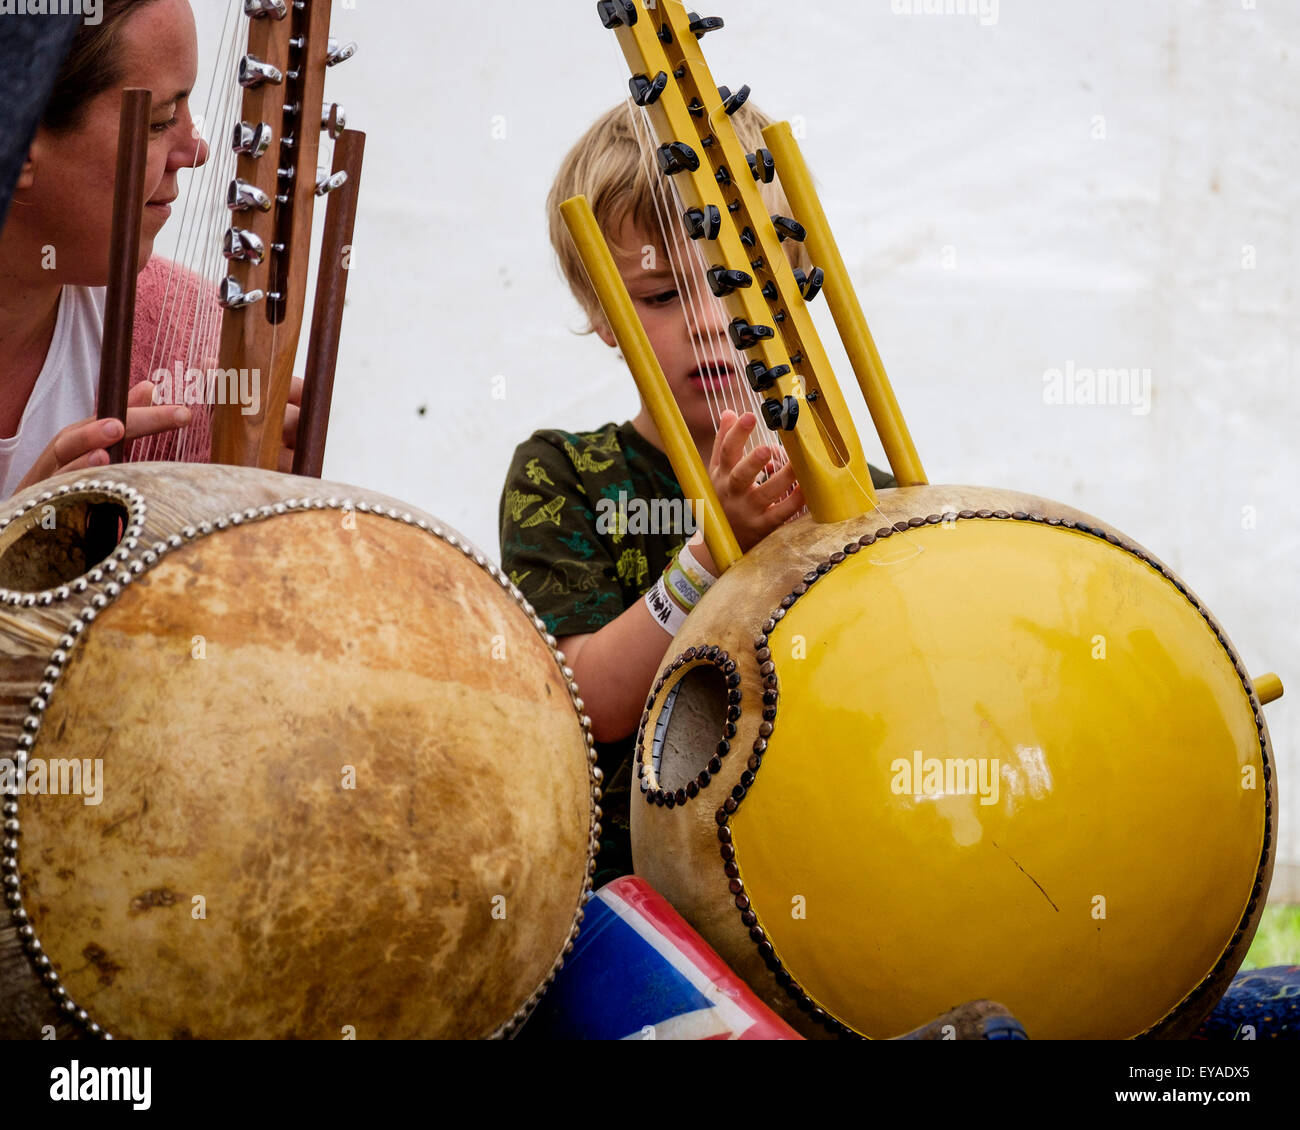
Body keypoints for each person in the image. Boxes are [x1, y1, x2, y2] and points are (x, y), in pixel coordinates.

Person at [499, 102, 895, 886]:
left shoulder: (852, 489)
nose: (710, 323)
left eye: (731, 284)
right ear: (602, 314)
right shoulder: (564, 475)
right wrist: (712, 556)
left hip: (822, 862)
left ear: (791, 284)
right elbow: (587, 700)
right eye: (659, 295)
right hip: (638, 883)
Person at [0, 0, 298, 500]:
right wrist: (20, 549)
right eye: (160, 121)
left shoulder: (192, 346)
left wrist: (270, 527)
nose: (196, 150)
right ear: (21, 140)